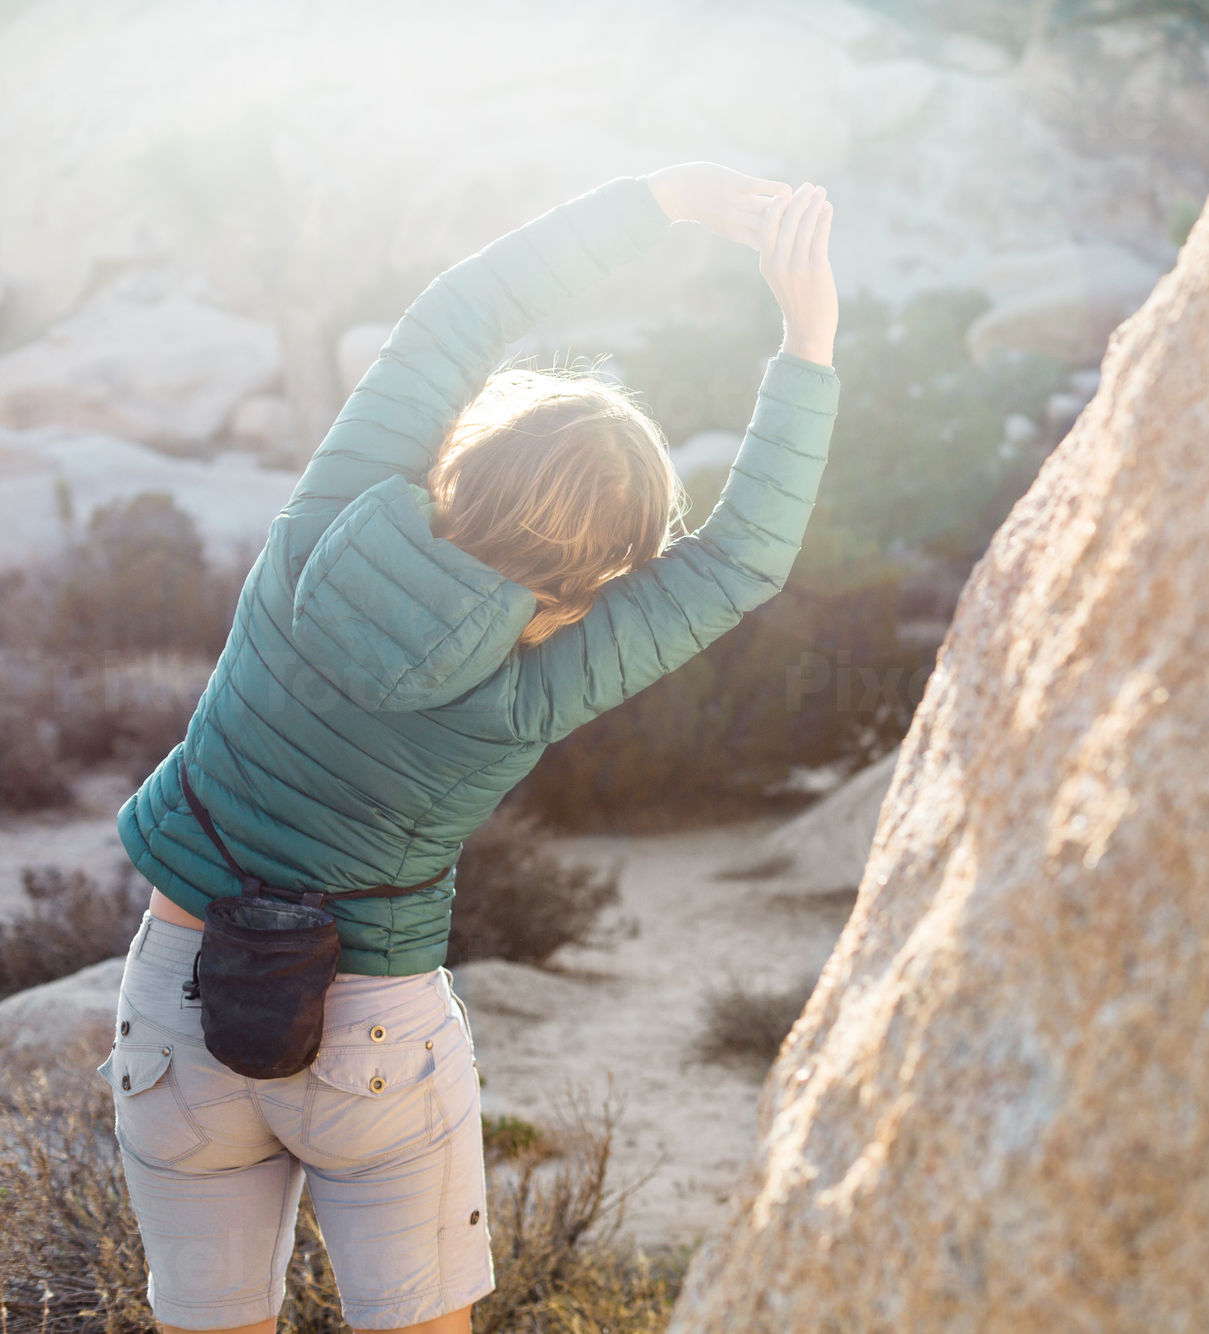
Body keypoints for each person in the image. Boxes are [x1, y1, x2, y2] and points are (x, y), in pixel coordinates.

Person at [100, 163, 840, 1334]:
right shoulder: (526, 689)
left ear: (477, 450)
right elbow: (740, 557)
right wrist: (805, 336)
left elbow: (458, 314)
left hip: (173, 996)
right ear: (608, 564)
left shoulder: (323, 518)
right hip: (375, 1034)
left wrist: (660, 199)